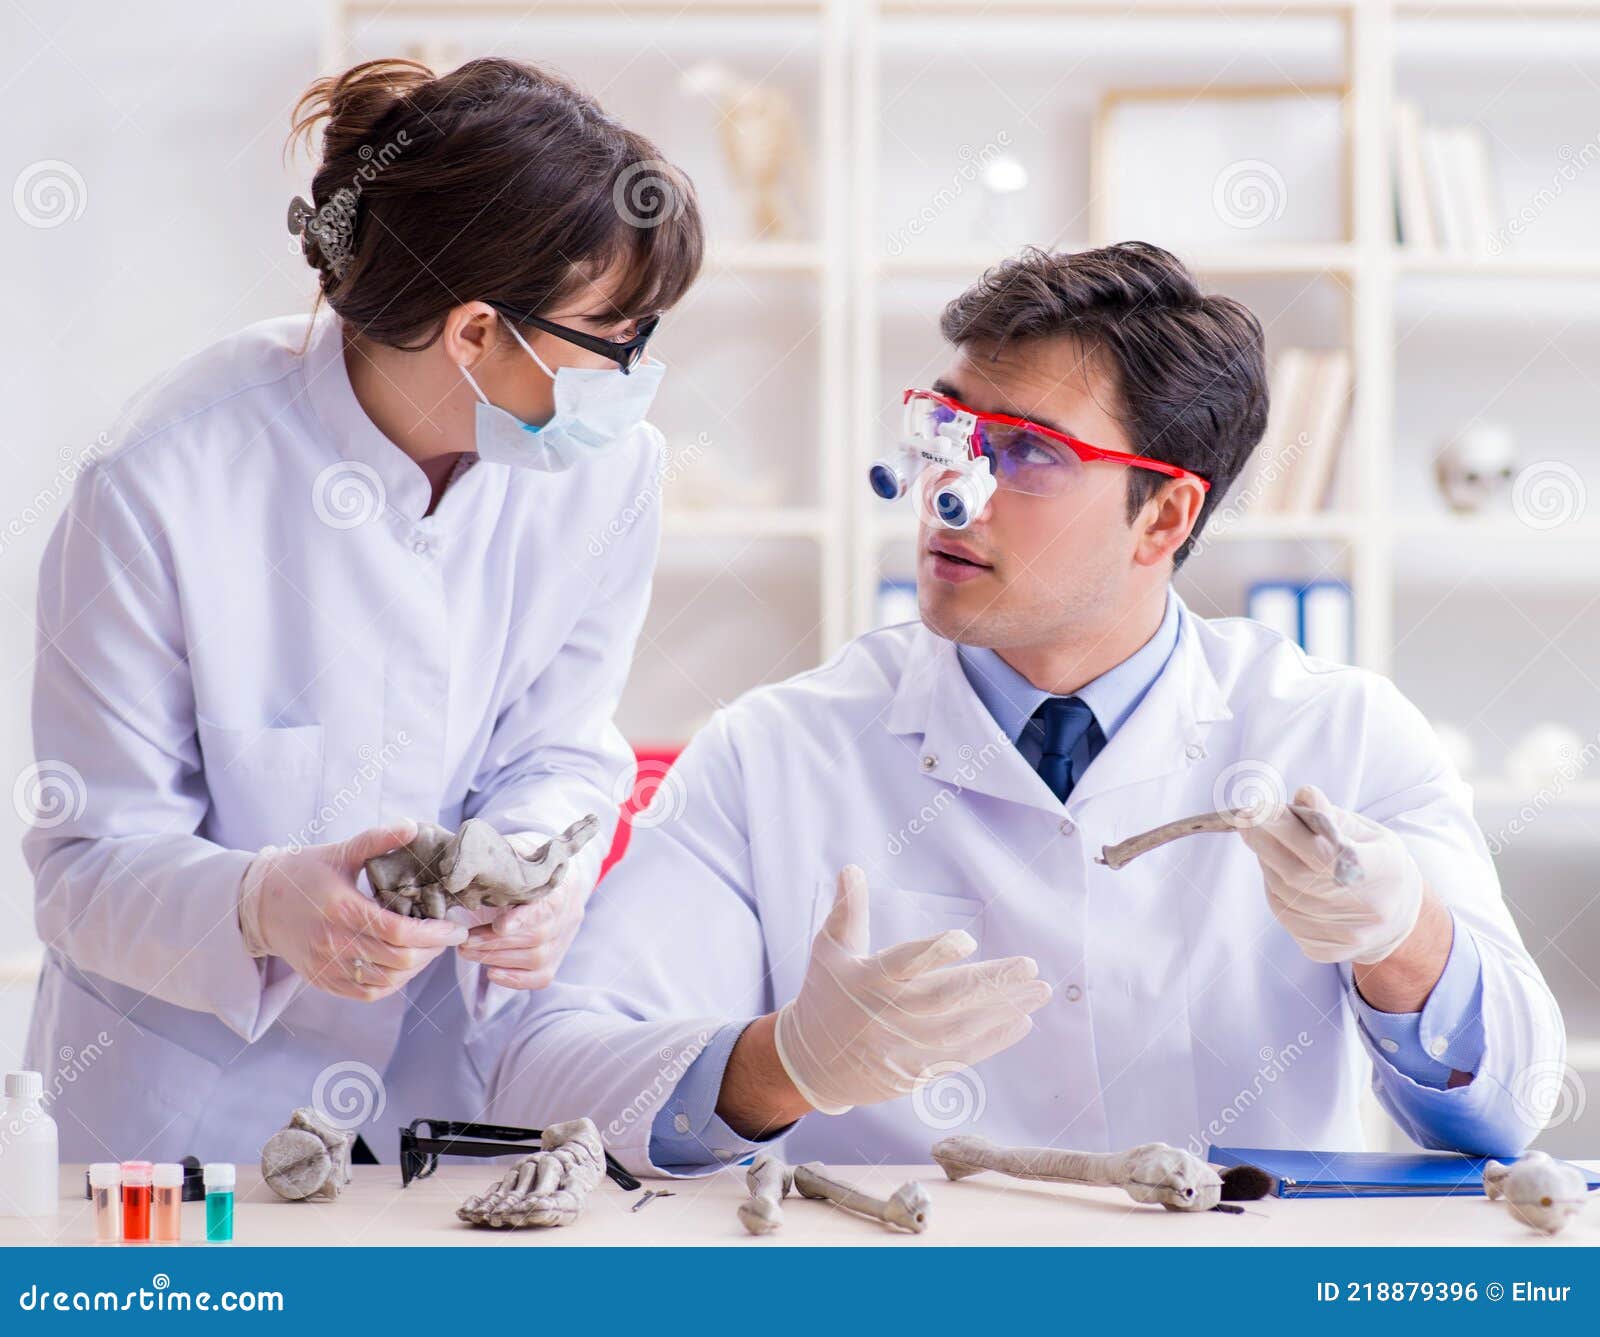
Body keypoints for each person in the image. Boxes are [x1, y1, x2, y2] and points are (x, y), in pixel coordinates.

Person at [488, 242, 1564, 1173]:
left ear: (1164, 515)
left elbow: (1516, 1103)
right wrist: (783, 1063)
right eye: (947, 428)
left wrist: (1405, 937)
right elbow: (539, 1079)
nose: (951, 488)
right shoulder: (776, 750)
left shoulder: (1340, 734)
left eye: (1028, 451)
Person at [23, 56, 703, 1162]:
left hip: (444, 1108)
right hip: (191, 1125)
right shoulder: (162, 480)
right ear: (477, 333)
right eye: (614, 336)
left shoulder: (609, 474)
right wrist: (260, 903)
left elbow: (564, 745)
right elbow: (85, 866)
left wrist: (543, 869)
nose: (634, 373)